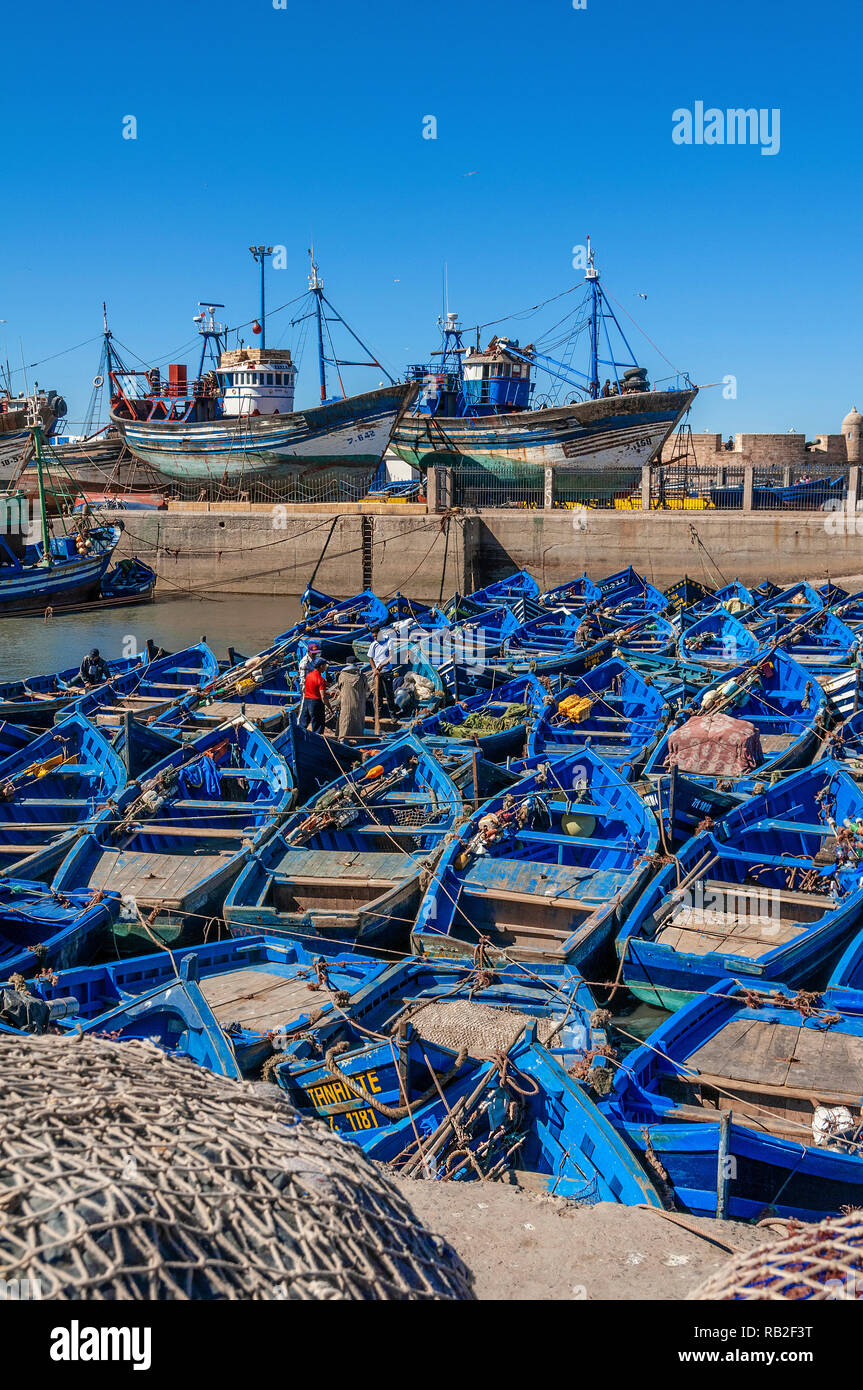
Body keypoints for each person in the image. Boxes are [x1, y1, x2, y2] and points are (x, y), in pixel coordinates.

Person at [368, 625, 398, 721]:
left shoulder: (389, 642)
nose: (375, 638)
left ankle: (393, 715)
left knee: (389, 694)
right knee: (378, 694)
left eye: (376, 636)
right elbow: (371, 659)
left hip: (386, 672)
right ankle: (378, 714)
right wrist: (374, 669)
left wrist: (382, 665)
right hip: (377, 673)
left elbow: (391, 657)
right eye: (374, 637)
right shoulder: (373, 645)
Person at [299, 658, 332, 735]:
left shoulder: (308, 676)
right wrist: (329, 707)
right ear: (321, 666)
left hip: (307, 701)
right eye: (324, 666)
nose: (325, 667)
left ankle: (300, 737)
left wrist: (328, 692)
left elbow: (313, 689)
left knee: (303, 723)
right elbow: (323, 697)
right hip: (316, 703)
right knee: (318, 726)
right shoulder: (320, 680)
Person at [337, 662, 368, 740]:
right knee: (358, 723)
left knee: (345, 722)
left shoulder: (342, 676)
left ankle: (342, 740)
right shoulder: (363, 677)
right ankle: (358, 739)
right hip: (359, 705)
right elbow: (367, 689)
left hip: (346, 704)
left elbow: (339, 687)